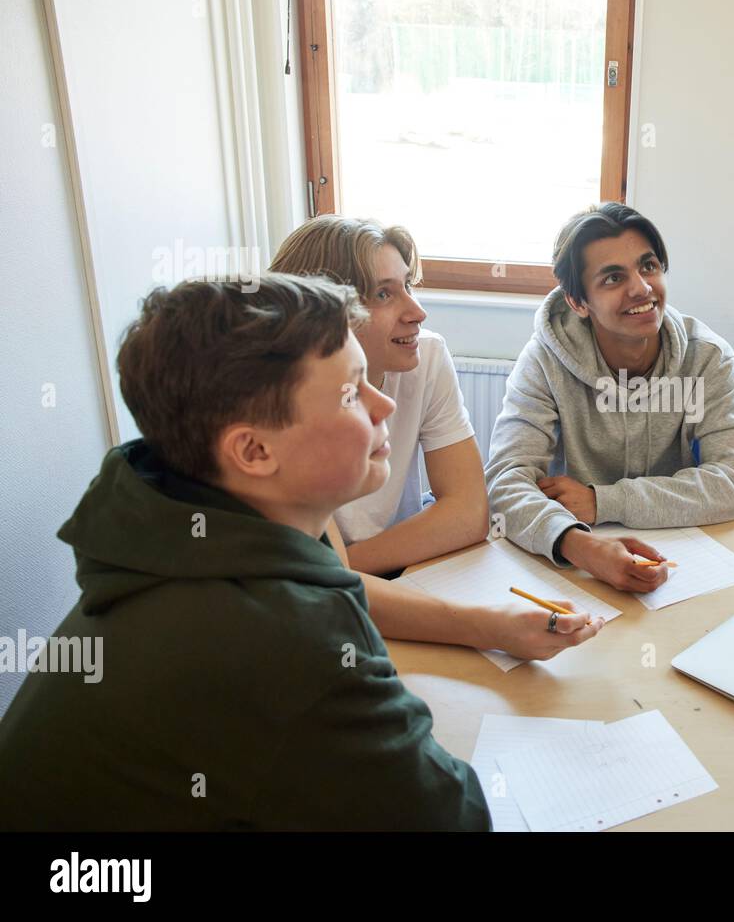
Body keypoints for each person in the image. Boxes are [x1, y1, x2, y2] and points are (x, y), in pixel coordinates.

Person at [0, 274, 489, 829]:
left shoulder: (179, 533)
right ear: (254, 450)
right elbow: (454, 818)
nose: (383, 406)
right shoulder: (281, 635)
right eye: (352, 391)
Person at [271, 216, 603, 659]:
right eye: (385, 294)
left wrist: (344, 565)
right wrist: (488, 626)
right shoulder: (283, 404)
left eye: (408, 285)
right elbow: (329, 588)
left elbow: (469, 513)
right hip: (333, 602)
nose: (417, 311)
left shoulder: (424, 356)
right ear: (321, 314)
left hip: (391, 574)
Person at [486, 203, 734, 592]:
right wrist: (575, 543)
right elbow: (505, 482)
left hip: (683, 554)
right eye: (613, 278)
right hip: (578, 552)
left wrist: (604, 501)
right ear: (578, 303)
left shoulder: (707, 358)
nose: (642, 288)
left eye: (648, 267)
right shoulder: (544, 360)